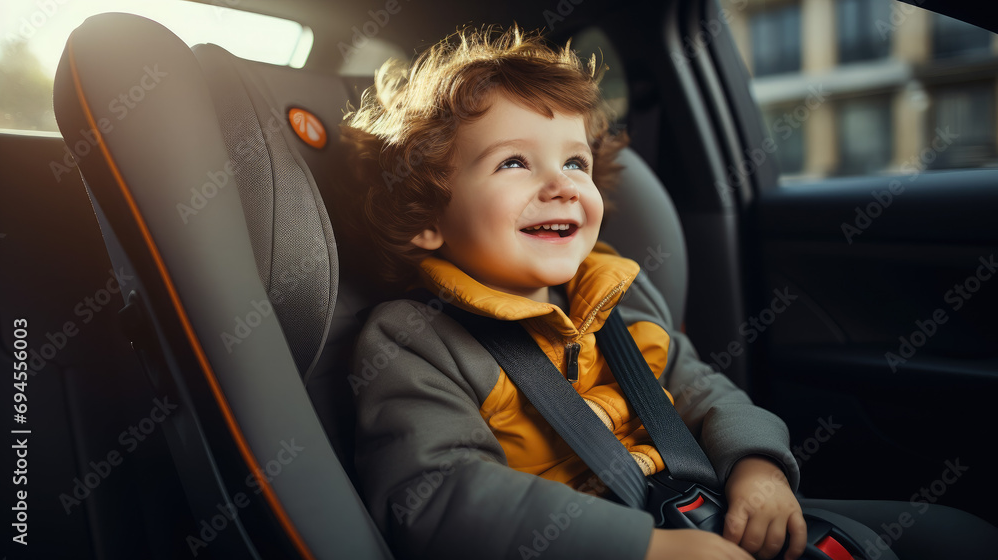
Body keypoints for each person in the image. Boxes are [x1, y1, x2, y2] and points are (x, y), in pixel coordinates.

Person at [338, 25, 997, 560]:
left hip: (693, 505)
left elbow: (703, 390)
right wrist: (649, 549)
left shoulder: (620, 296)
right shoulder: (411, 339)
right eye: (513, 162)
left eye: (574, 162)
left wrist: (757, 467)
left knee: (955, 534)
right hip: (587, 544)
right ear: (424, 217)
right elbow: (437, 495)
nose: (562, 184)